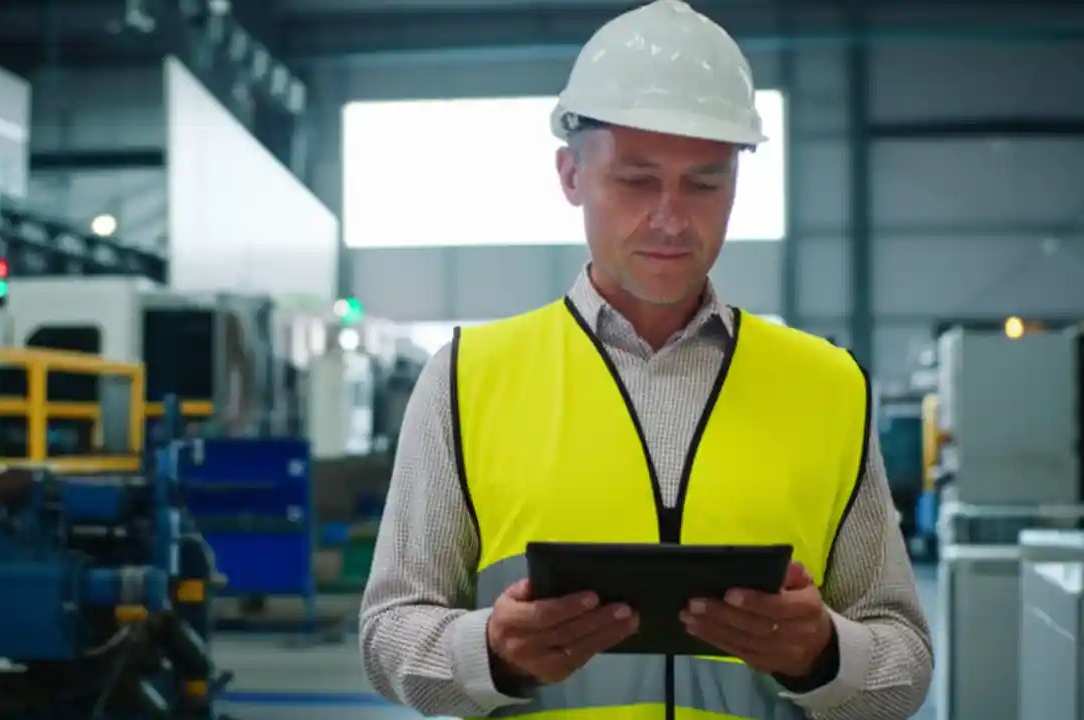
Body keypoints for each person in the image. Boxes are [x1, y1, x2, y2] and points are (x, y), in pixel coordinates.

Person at [358, 1, 933, 718]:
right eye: (636, 180)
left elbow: (905, 661)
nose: (670, 217)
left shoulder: (827, 386)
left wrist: (824, 656)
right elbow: (388, 635)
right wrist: (489, 653)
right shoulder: (467, 380)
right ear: (570, 175)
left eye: (704, 182)